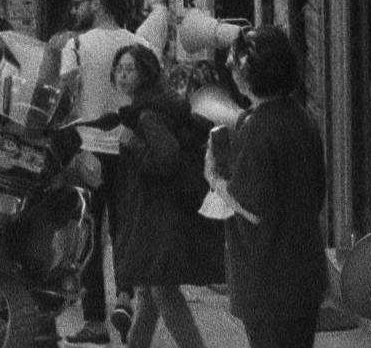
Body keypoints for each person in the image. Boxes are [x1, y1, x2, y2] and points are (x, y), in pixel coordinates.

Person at [210, 29, 327, 348]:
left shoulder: (257, 129)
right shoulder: (301, 117)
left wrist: (217, 182)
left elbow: (252, 206)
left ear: (246, 75)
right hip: (303, 267)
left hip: (268, 274)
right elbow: (317, 191)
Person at [103, 41, 214, 348]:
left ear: (146, 73)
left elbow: (167, 159)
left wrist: (132, 143)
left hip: (159, 214)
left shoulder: (147, 114)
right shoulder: (153, 105)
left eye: (130, 69)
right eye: (119, 69)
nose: (123, 76)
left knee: (161, 289)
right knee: (151, 290)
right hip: (160, 211)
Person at [57, 0, 133, 343]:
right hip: (129, 149)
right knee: (124, 229)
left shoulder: (75, 46)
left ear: (98, 4)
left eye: (79, 3)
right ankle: (126, 298)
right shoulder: (138, 43)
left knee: (88, 235)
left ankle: (95, 320)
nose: (74, 10)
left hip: (89, 149)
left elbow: (66, 97)